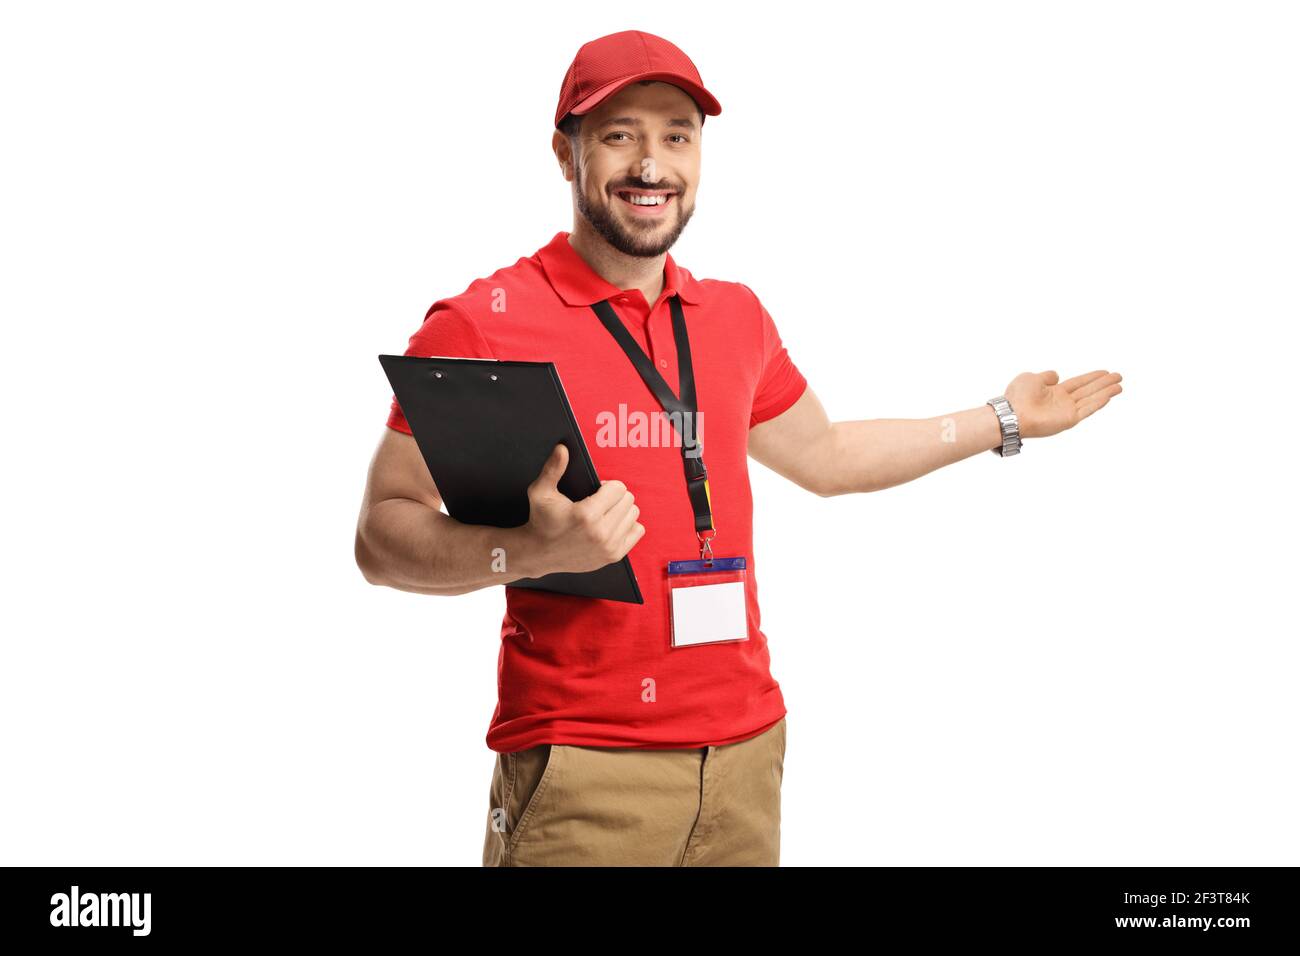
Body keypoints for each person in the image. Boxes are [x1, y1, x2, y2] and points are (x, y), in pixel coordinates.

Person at [354, 30, 1123, 867]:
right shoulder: (483, 323)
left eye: (677, 135)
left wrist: (1001, 419)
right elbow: (381, 537)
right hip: (585, 769)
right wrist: (530, 550)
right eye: (619, 135)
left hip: (747, 756)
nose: (652, 165)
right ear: (563, 154)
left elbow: (826, 455)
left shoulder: (733, 317)